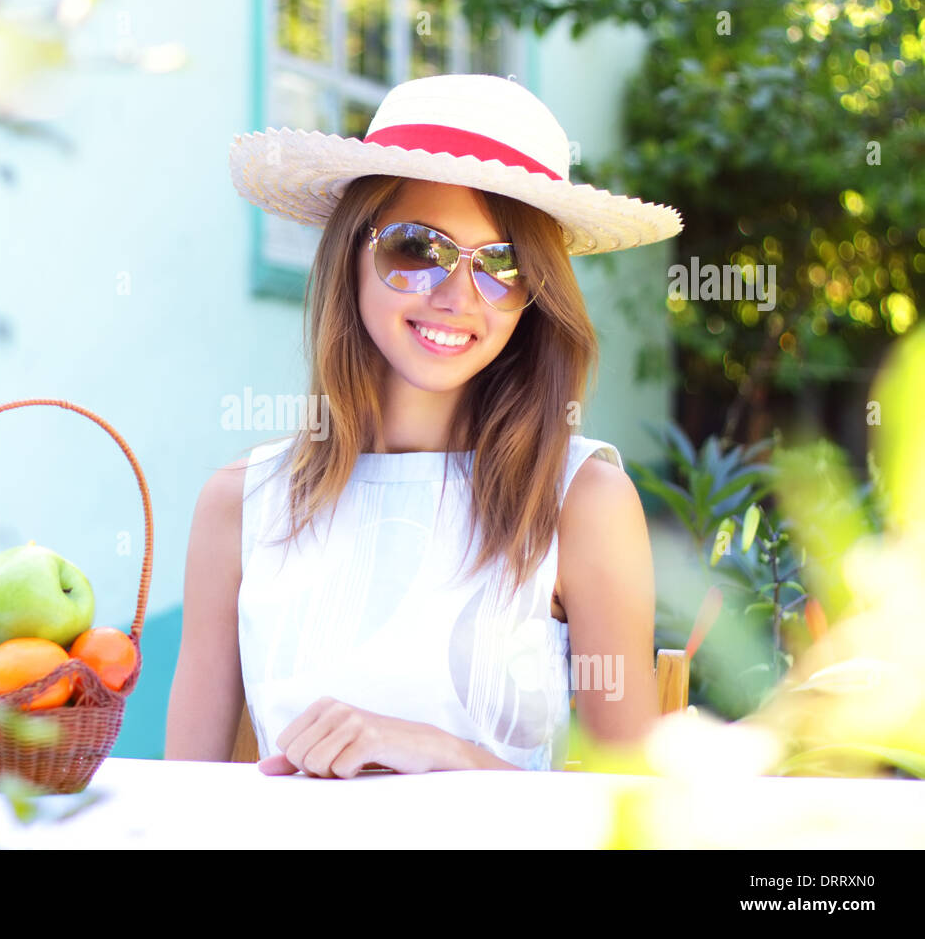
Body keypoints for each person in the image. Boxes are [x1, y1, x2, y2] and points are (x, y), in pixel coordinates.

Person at [165, 74, 682, 777]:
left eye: (503, 264)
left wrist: (446, 757)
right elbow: (181, 803)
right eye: (416, 248)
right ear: (351, 251)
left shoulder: (581, 502)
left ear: (537, 295)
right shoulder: (239, 504)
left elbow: (632, 815)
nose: (457, 296)